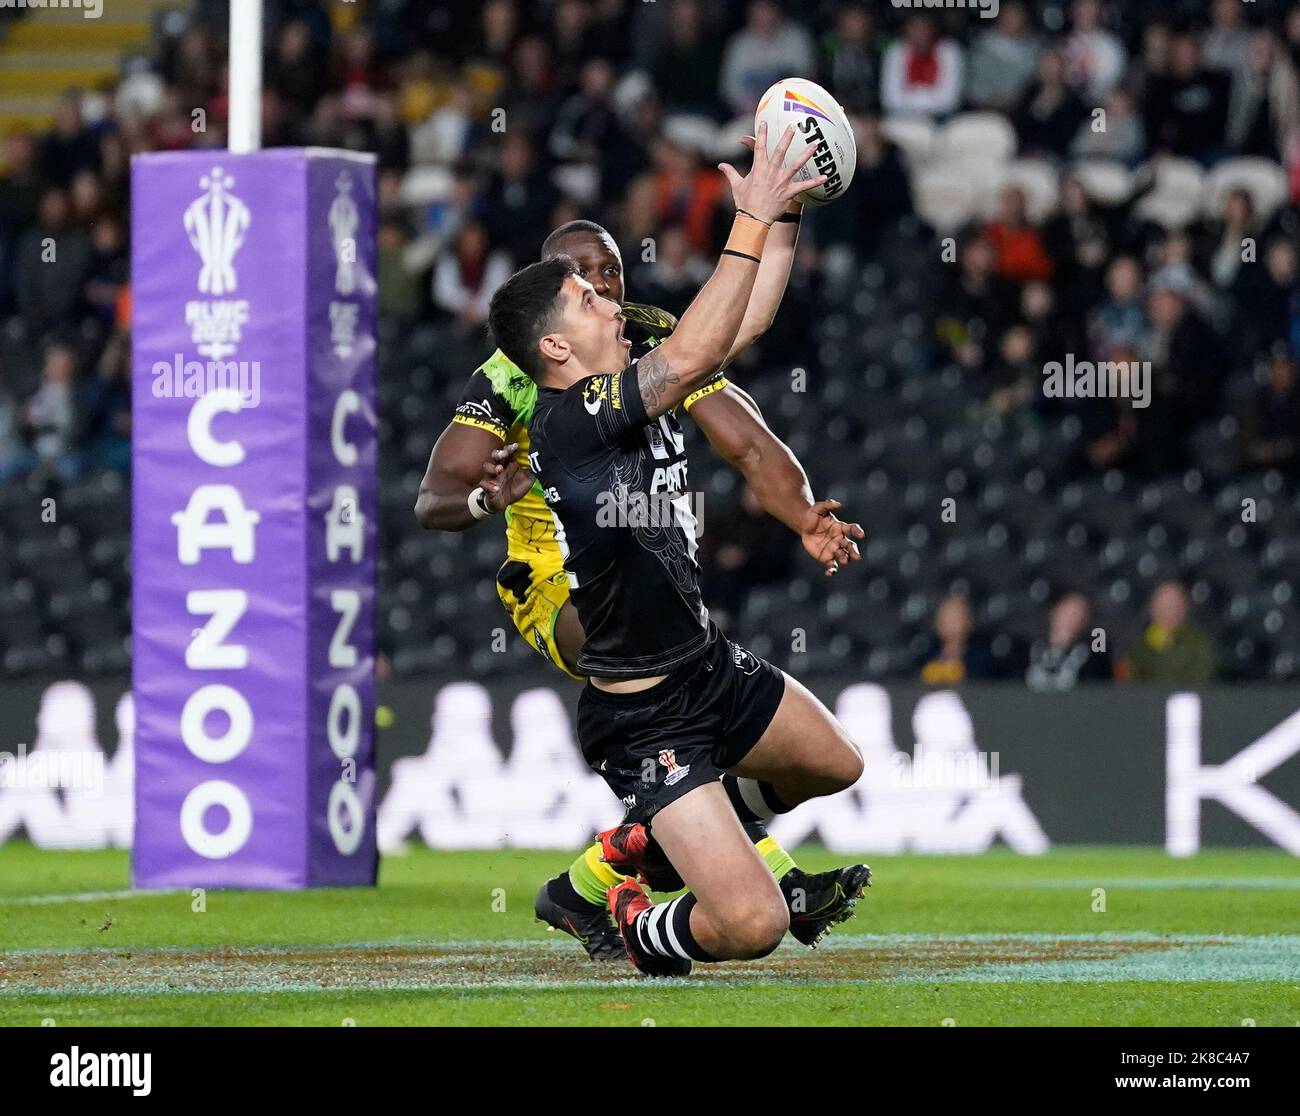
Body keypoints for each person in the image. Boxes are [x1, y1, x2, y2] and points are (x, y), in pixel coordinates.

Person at [417, 204, 865, 963]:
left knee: (836, 761)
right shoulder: (524, 384)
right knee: (620, 629)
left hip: (694, 649)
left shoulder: (645, 336)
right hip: (555, 582)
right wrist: (486, 498)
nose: (604, 290)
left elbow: (740, 367)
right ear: (552, 322)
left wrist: (783, 220)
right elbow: (433, 496)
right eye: (583, 284)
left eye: (610, 275)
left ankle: (617, 864)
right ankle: (728, 874)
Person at [1125, 580, 1216, 685]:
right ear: (1152, 609)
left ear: (1183, 608)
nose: (1168, 611)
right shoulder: (1141, 644)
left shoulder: (1199, 645)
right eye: (1163, 606)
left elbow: (1200, 679)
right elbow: (1134, 681)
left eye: (1173, 605)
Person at [1026, 592, 1111, 690]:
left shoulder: (1094, 657)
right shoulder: (1027, 649)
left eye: (1079, 615)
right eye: (1069, 613)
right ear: (1055, 611)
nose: (1073, 619)